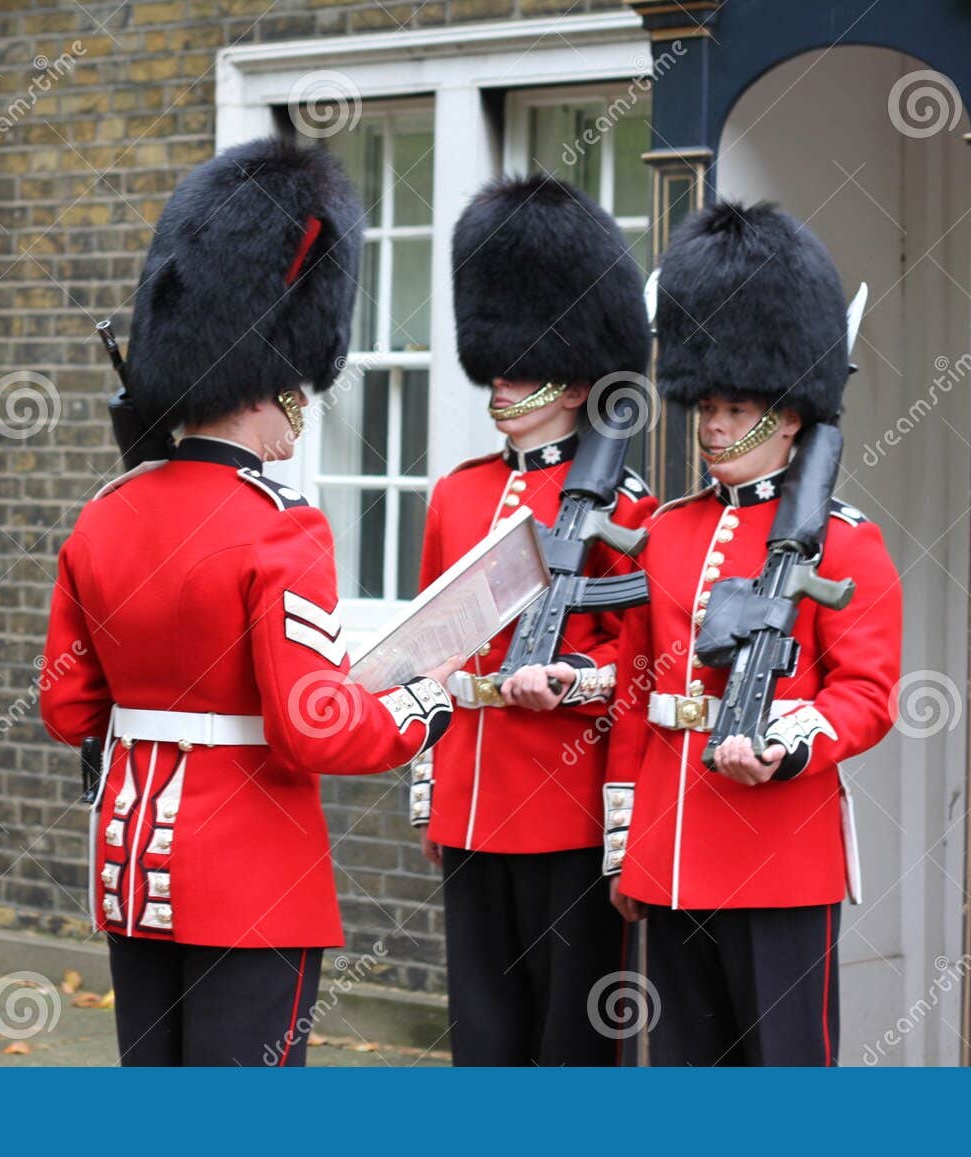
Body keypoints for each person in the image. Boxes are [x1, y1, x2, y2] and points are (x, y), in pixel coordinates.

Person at [40, 136, 459, 1068]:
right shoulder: (282, 526)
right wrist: (428, 702)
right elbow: (313, 729)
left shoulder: (103, 515)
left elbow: (67, 707)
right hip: (251, 879)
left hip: (130, 862)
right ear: (276, 389)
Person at [604, 201, 903, 1066]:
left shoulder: (846, 541)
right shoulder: (666, 529)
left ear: (792, 413)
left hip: (778, 853)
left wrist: (788, 737)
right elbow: (635, 691)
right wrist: (629, 843)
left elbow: (866, 694)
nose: (713, 427)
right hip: (672, 847)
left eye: (736, 409)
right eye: (705, 408)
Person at [410, 175, 658, 1065]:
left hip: (567, 803)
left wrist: (570, 680)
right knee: (482, 1038)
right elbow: (429, 650)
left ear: (576, 372)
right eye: (499, 356)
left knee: (569, 1047)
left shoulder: (628, 505)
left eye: (527, 356)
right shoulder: (457, 495)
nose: (505, 373)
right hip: (471, 800)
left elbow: (638, 665)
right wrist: (433, 796)